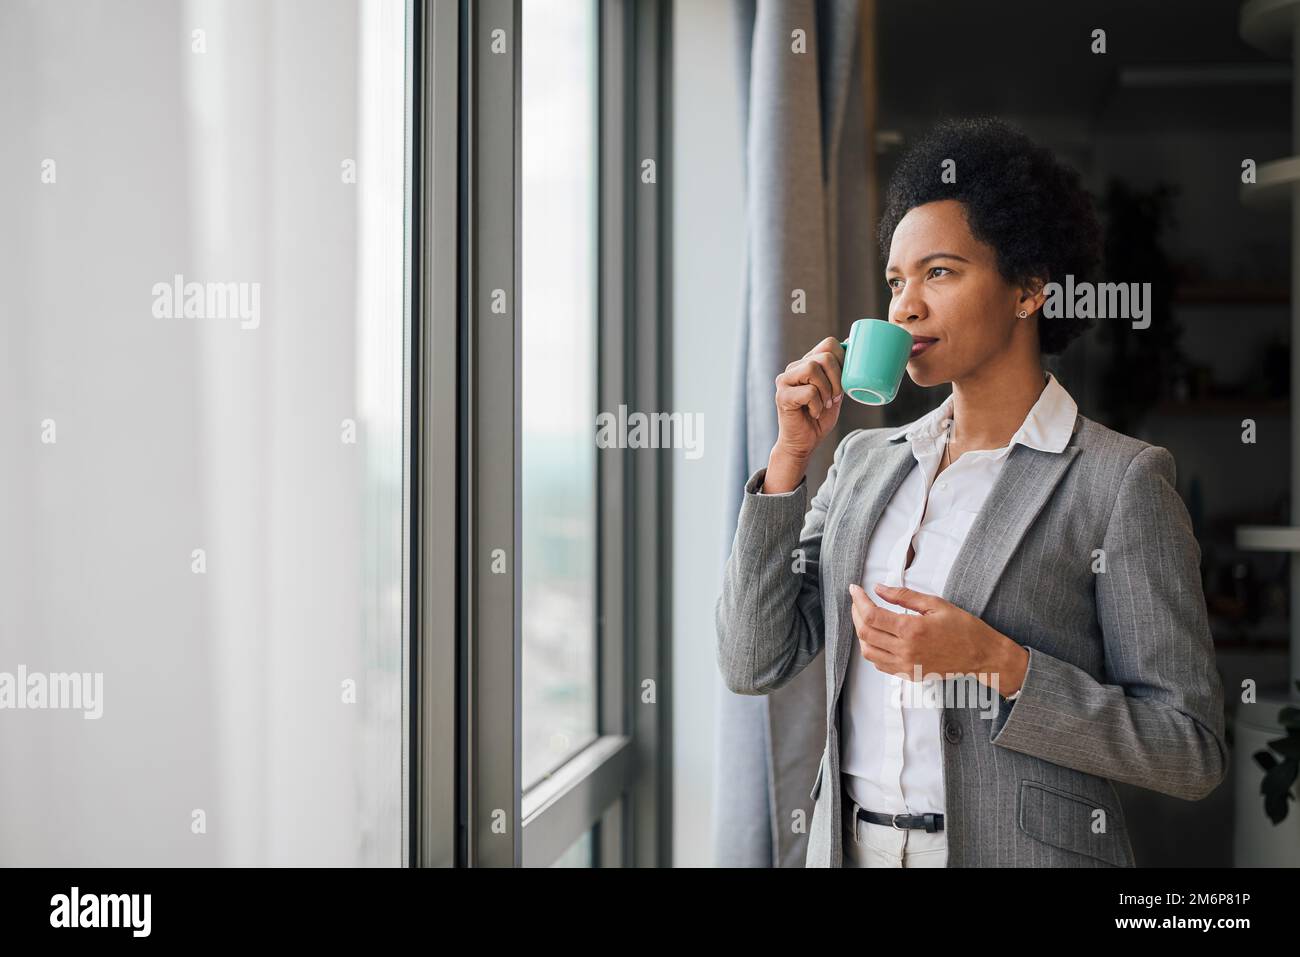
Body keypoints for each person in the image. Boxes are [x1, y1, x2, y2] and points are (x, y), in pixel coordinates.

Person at [715, 116, 1227, 868]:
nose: (904, 306)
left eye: (939, 273)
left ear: (1027, 291)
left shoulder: (1119, 480)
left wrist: (1000, 663)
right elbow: (752, 660)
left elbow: (1189, 749)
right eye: (895, 282)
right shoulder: (862, 460)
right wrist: (790, 457)